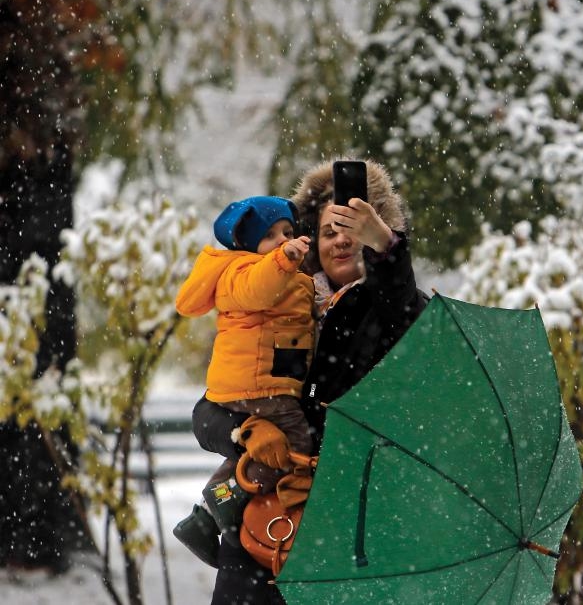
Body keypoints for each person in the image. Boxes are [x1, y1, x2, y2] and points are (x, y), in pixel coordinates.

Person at [191, 159, 428, 604]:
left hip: (355, 536)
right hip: (261, 536)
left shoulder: (403, 312)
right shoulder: (270, 310)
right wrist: (245, 433)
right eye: (328, 230)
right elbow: (207, 412)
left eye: (353, 227)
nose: (340, 240)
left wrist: (386, 247)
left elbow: (401, 306)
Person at [172, 196, 316, 568]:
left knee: (273, 449)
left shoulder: (278, 273)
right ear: (246, 244)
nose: (284, 240)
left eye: (288, 231)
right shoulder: (244, 271)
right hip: (257, 383)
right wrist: (285, 259)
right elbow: (259, 289)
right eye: (270, 235)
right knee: (294, 448)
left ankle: (208, 510)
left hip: (263, 381)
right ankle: (222, 501)